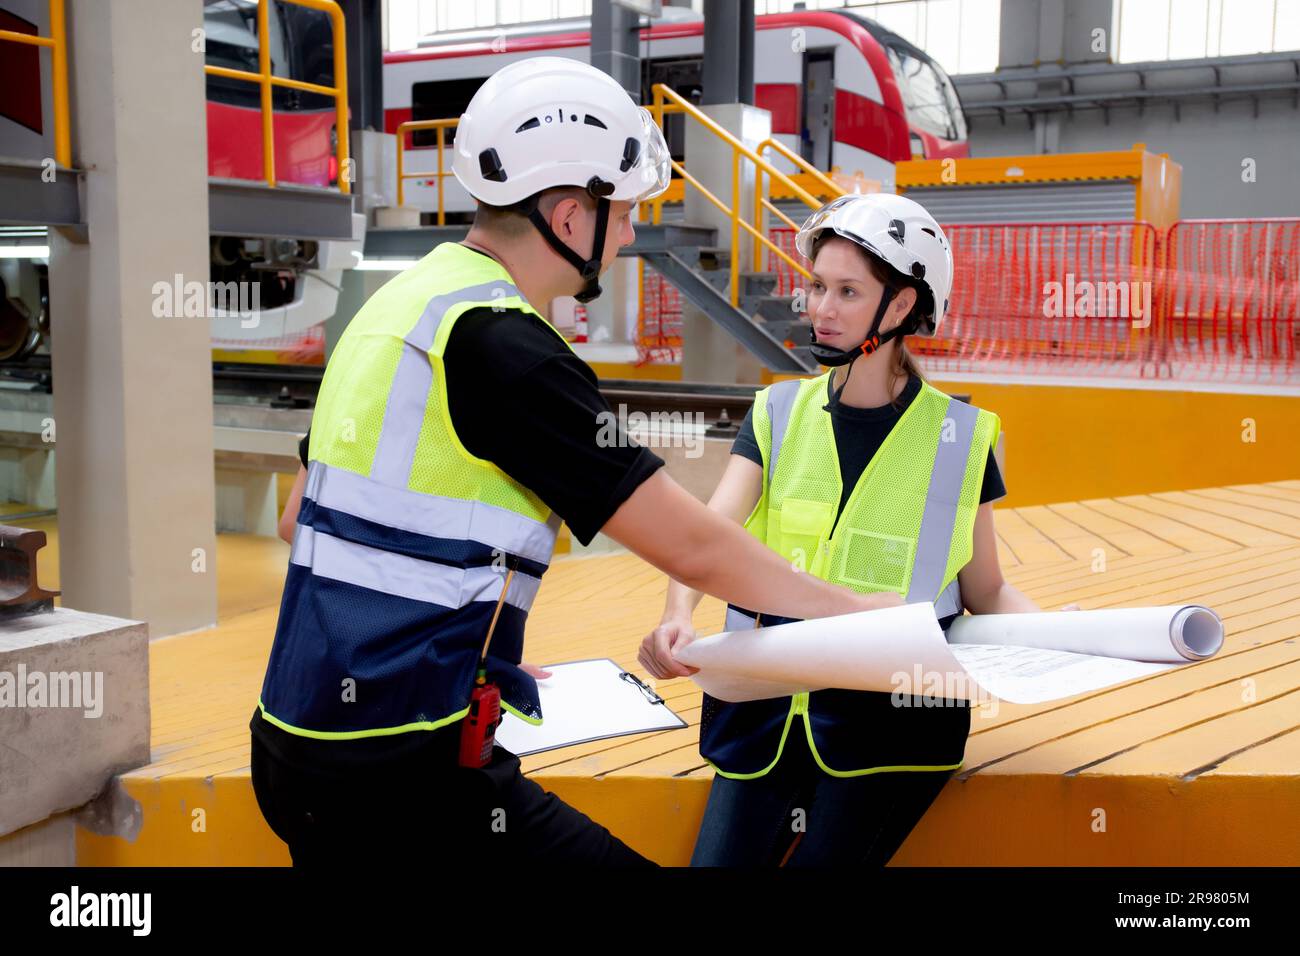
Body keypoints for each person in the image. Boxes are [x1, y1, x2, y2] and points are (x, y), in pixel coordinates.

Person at [250, 57, 900, 868]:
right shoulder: (507, 347)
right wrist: (857, 618)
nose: (629, 234)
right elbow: (692, 544)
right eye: (623, 213)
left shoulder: (398, 308)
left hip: (292, 745)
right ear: (567, 214)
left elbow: (298, 518)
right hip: (404, 768)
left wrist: (466, 642)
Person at [639, 192, 1074, 867]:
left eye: (847, 290)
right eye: (817, 286)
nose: (821, 308)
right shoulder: (777, 412)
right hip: (767, 716)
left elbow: (986, 590)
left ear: (900, 307)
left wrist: (1059, 642)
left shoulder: (961, 440)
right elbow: (707, 532)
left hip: (891, 729)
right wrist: (677, 613)